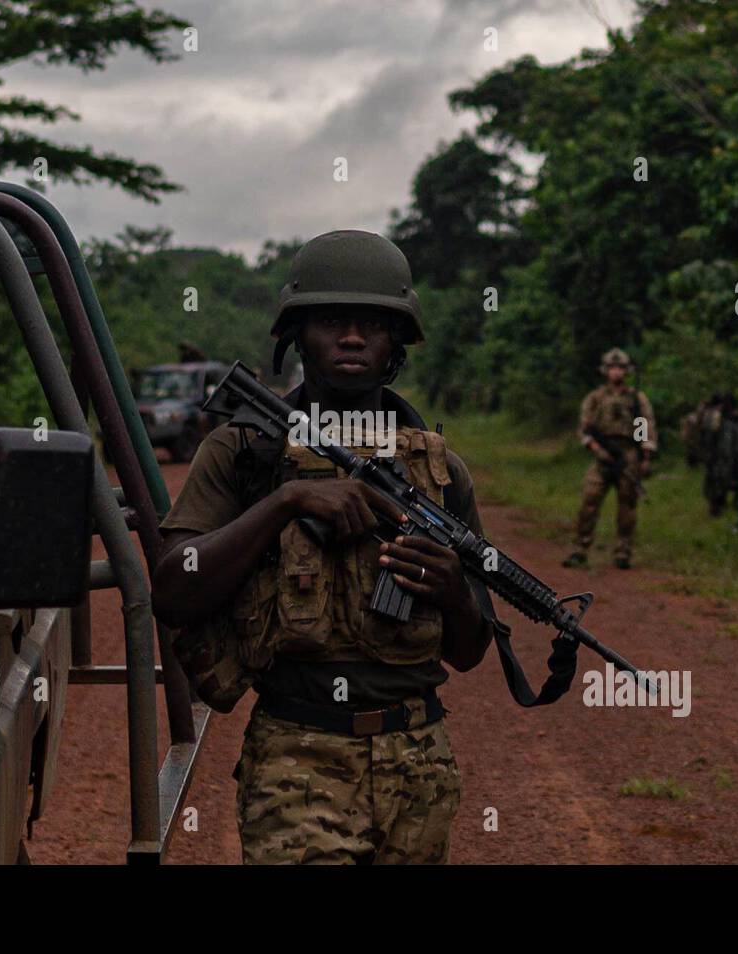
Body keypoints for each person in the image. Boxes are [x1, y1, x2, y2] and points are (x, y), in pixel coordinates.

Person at [151, 229, 532, 864]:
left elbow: (468, 653)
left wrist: (451, 593)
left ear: (397, 343)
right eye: (331, 321)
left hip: (419, 762)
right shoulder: (245, 450)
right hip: (297, 755)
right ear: (297, 334)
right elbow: (173, 587)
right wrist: (286, 503)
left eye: (372, 325)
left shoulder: (439, 472)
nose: (352, 338)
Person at [562, 348, 657, 571]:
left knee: (627, 506)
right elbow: (585, 428)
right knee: (589, 499)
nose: (616, 372)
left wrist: (645, 455)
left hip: (627, 454)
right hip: (602, 455)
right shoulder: (595, 398)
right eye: (613, 368)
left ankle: (623, 551)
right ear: (606, 371)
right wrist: (596, 448)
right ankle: (580, 549)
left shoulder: (636, 398)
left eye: (621, 368)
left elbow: (645, 425)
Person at [700, 393, 738, 517]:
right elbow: (708, 436)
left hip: (731, 455)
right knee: (719, 481)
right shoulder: (717, 418)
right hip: (720, 456)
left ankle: (733, 502)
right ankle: (718, 505)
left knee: (733, 479)